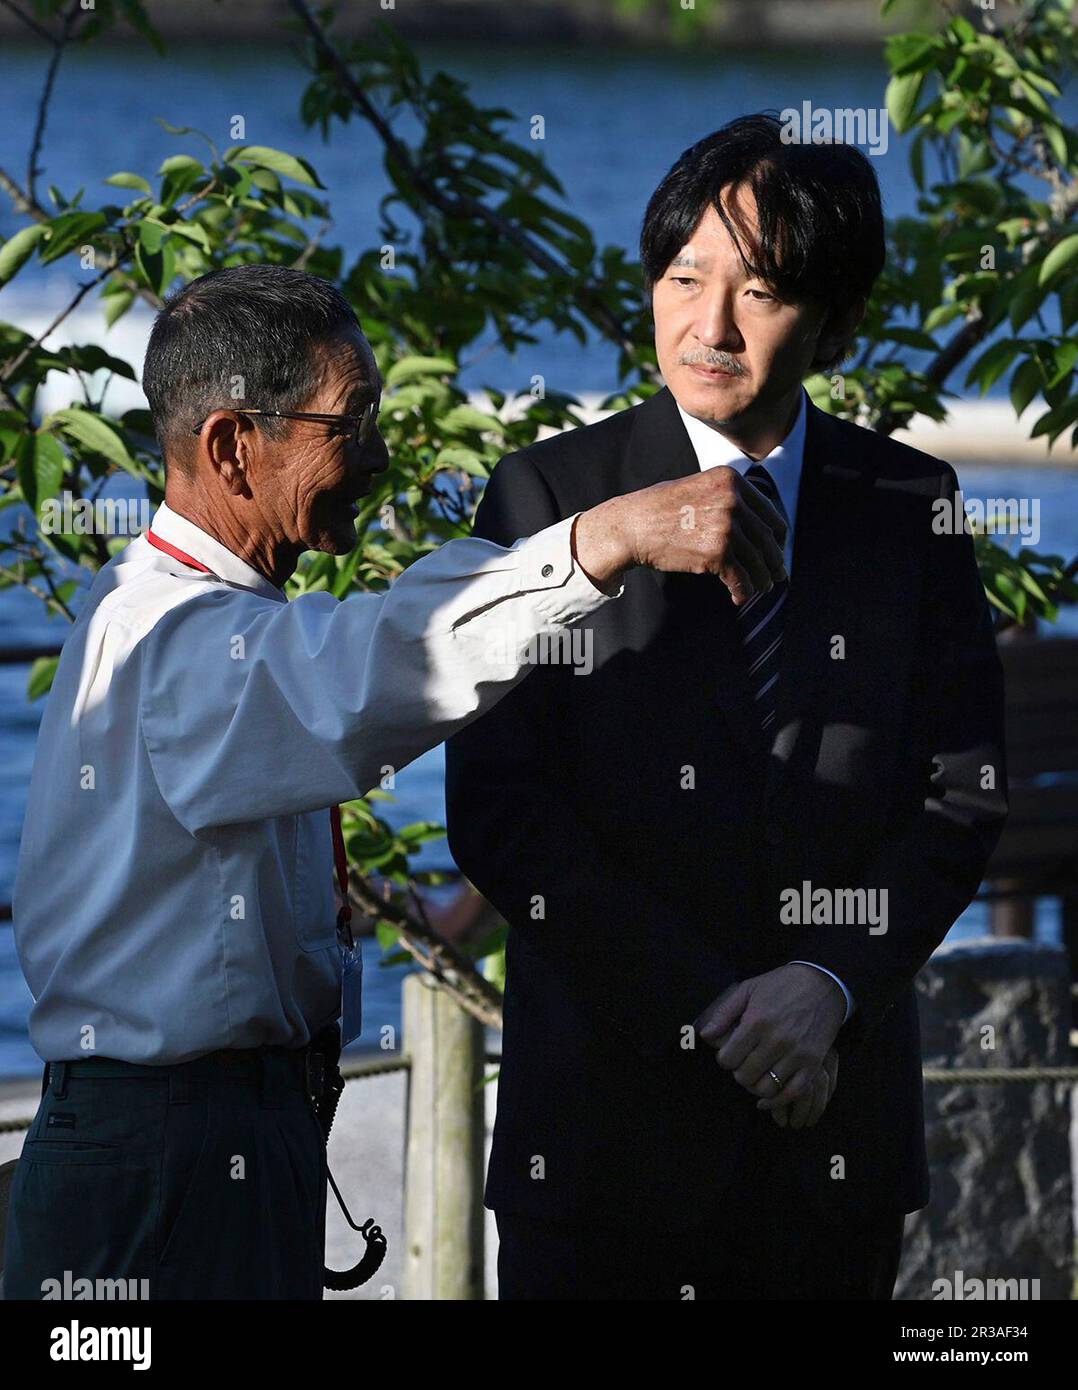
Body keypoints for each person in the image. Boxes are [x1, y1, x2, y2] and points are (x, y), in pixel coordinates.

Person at [3, 263, 787, 1300]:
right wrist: (606, 538)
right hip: (172, 1155)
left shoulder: (197, 617)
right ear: (234, 446)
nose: (373, 458)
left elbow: (365, 645)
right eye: (351, 424)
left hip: (202, 1141)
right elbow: (377, 667)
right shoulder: (178, 644)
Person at [445, 114, 1009, 1301]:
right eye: (683, 277)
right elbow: (501, 811)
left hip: (830, 1134)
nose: (708, 327)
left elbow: (961, 793)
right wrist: (711, 1010)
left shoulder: (909, 504)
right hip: (600, 1140)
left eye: (756, 291)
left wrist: (830, 985)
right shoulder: (551, 496)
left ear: (833, 320)